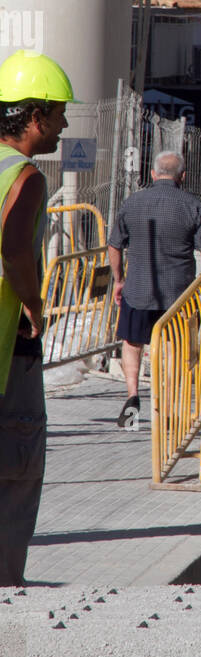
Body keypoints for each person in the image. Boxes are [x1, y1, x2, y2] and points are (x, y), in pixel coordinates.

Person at [0, 50, 73, 585]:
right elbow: (13, 245)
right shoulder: (25, 176)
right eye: (58, 112)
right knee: (18, 465)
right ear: (34, 115)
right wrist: (32, 303)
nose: (64, 124)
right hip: (9, 351)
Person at [108, 150, 201, 428]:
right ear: (183, 176)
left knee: (132, 343)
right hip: (179, 296)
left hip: (138, 290)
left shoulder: (132, 202)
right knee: (173, 349)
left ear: (153, 174)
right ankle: (164, 409)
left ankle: (132, 396)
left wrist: (119, 280)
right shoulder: (193, 205)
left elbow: (115, 245)